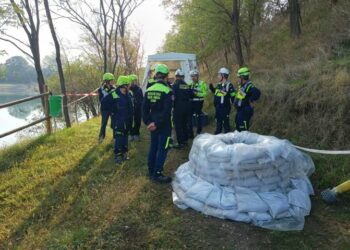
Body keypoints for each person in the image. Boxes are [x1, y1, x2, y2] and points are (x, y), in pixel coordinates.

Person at [142, 64, 173, 184]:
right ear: (165, 76)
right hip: (163, 125)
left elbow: (144, 110)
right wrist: (157, 124)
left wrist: (149, 122)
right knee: (163, 148)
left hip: (153, 125)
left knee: (153, 147)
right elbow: (166, 112)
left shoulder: (149, 90)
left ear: (156, 75)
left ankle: (151, 171)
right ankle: (157, 174)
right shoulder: (167, 91)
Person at [104, 75, 133, 164]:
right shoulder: (113, 94)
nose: (129, 86)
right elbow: (104, 103)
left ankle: (124, 153)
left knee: (125, 136)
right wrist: (112, 111)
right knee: (119, 138)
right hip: (118, 121)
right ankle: (117, 156)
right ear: (124, 85)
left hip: (127, 120)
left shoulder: (128, 94)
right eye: (128, 85)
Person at [209, 67, 236, 134]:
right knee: (218, 121)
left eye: (219, 75)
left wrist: (230, 104)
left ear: (223, 76)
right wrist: (211, 88)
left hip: (225, 107)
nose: (218, 76)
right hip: (218, 107)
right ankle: (217, 134)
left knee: (225, 123)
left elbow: (233, 96)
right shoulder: (219, 84)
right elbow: (215, 92)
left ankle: (227, 136)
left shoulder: (229, 85)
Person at [234, 67, 261, 131]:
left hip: (245, 111)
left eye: (239, 77)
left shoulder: (249, 86)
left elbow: (257, 92)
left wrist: (250, 100)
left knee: (243, 130)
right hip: (240, 111)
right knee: (238, 128)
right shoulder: (242, 86)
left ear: (242, 77)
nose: (237, 79)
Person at [172, 68, 193, 148]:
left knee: (178, 125)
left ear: (176, 76)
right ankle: (185, 140)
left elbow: (173, 97)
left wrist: (172, 106)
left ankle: (180, 143)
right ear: (183, 77)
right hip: (187, 107)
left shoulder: (175, 85)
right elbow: (191, 94)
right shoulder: (186, 85)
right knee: (185, 124)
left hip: (178, 107)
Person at [188, 69, 207, 138]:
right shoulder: (190, 84)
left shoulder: (202, 83)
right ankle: (190, 133)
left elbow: (205, 94)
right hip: (191, 102)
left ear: (197, 76)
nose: (193, 78)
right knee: (189, 117)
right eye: (192, 76)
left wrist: (197, 93)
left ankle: (199, 132)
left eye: (195, 76)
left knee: (198, 116)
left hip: (198, 102)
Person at [98, 72, 115, 143]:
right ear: (107, 81)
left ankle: (115, 137)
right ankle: (101, 137)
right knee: (104, 123)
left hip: (112, 109)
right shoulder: (101, 89)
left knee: (114, 122)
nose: (113, 81)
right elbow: (101, 100)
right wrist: (108, 93)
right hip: (104, 109)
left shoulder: (114, 88)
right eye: (111, 80)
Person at [128, 74, 143, 141]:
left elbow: (142, 99)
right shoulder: (127, 89)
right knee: (130, 122)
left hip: (138, 109)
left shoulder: (139, 89)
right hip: (130, 109)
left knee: (137, 121)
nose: (134, 82)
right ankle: (131, 134)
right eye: (132, 81)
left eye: (135, 81)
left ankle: (136, 134)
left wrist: (140, 106)